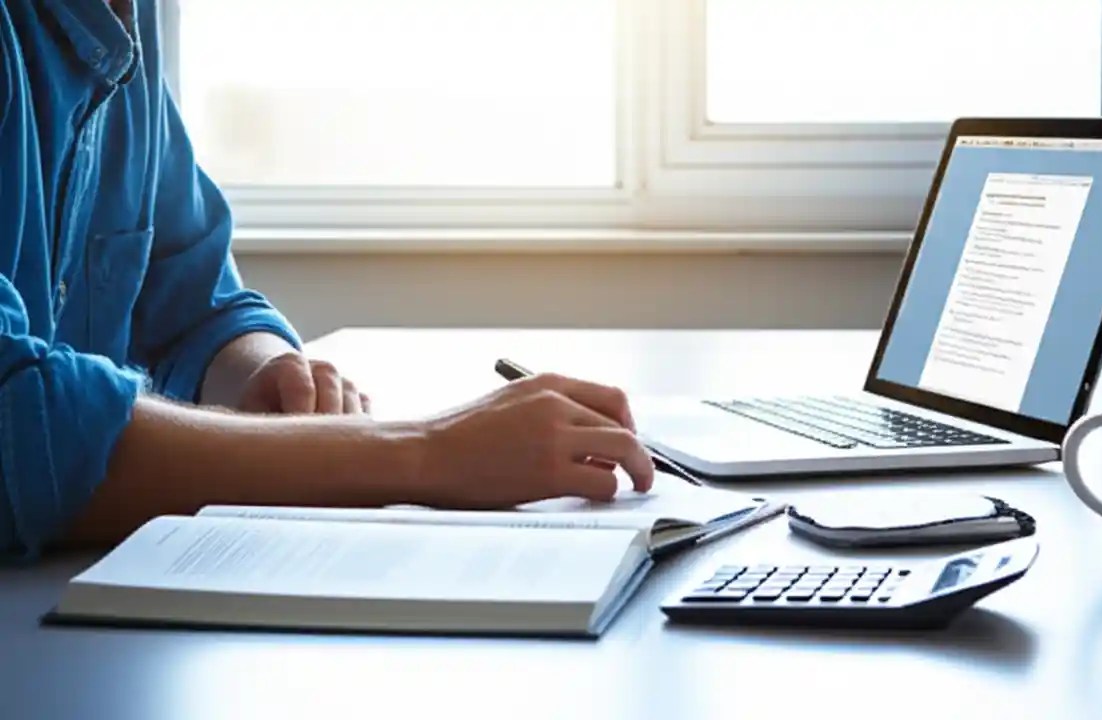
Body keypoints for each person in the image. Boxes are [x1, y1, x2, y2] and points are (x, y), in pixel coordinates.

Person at [0, 0, 653, 557]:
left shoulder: (121, 24)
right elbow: (18, 424)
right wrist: (427, 453)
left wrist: (268, 372)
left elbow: (193, 307)